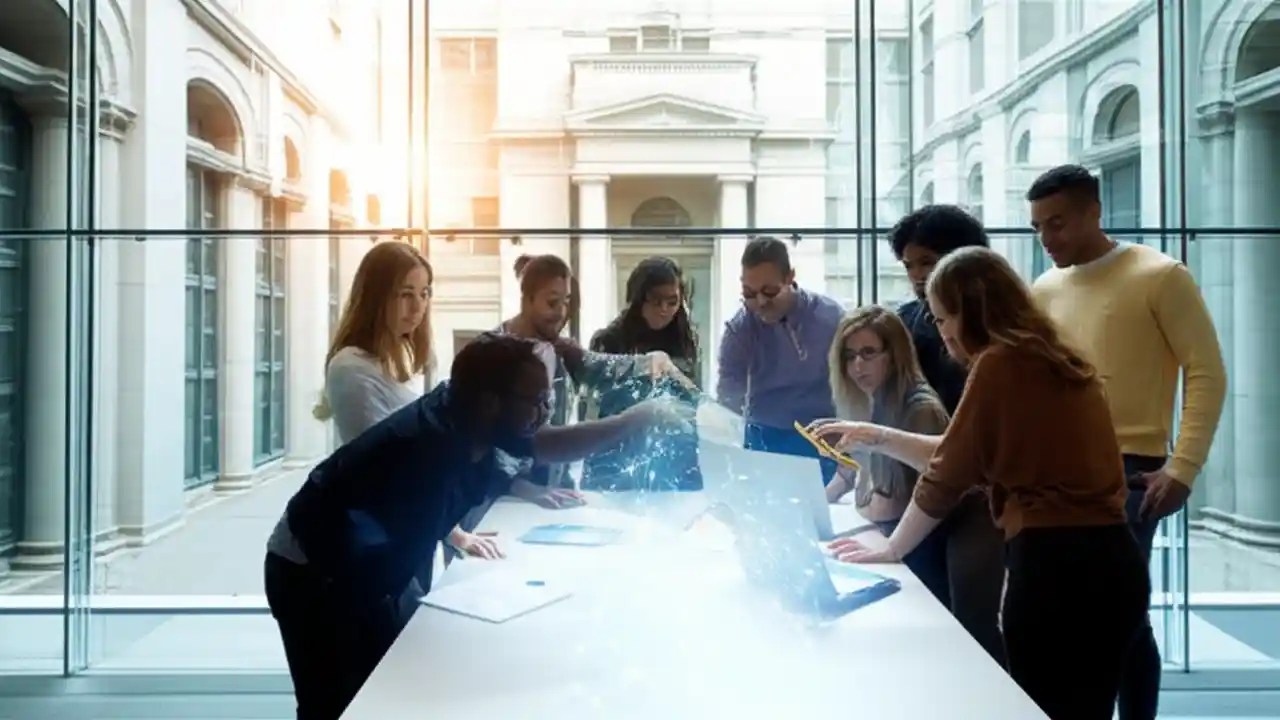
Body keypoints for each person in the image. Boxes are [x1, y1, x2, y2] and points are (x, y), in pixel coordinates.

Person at [264, 333, 694, 720]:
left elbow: (546, 443)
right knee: (337, 704)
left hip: (362, 565)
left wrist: (633, 419)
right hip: (311, 569)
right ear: (491, 401)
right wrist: (635, 419)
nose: (545, 412)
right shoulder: (430, 445)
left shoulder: (472, 419)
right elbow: (387, 526)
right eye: (536, 402)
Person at [810, 247, 1149, 719]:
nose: (942, 332)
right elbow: (964, 452)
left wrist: (893, 548)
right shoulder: (1053, 359)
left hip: (1056, 567)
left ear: (970, 310)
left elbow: (946, 474)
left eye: (943, 317)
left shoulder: (999, 364)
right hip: (1113, 562)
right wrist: (877, 436)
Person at [1027, 164, 1227, 720]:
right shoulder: (1043, 289)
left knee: (1118, 612)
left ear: (1094, 212)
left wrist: (1183, 466)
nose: (1046, 238)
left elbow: (1207, 371)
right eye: (1038, 226)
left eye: (1057, 223)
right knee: (1079, 614)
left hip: (1131, 467)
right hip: (1054, 471)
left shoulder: (1160, 276)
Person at [267, 241, 501, 572]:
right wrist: (453, 531)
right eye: (405, 294)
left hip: (372, 543)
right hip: (319, 560)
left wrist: (454, 533)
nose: (418, 306)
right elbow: (387, 472)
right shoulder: (352, 367)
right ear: (376, 297)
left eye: (424, 293)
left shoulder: (399, 358)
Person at [820, 305, 1004, 664]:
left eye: (868, 353)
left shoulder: (920, 408)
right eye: (850, 356)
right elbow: (852, 476)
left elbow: (925, 493)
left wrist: (883, 541)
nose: (858, 366)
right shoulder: (868, 401)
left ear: (894, 354)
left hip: (939, 540)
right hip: (912, 538)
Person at [497, 253, 693, 491]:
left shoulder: (558, 349)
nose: (562, 314)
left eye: (567, 303)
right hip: (508, 497)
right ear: (527, 300)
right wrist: (518, 487)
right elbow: (503, 445)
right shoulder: (495, 354)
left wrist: (650, 361)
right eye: (552, 303)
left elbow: (598, 366)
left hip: (555, 489)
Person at [717, 236, 842, 483]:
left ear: (790, 277)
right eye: (749, 294)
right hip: (764, 439)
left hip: (824, 437)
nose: (760, 302)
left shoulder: (830, 319)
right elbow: (728, 399)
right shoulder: (740, 329)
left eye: (770, 291)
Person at [583, 256, 703, 491]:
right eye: (656, 301)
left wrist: (674, 373)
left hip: (673, 456)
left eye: (672, 302)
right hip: (616, 457)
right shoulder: (608, 341)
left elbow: (694, 400)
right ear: (638, 298)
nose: (664, 310)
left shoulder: (686, 340)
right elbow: (594, 408)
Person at [888, 204, 990, 413]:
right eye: (908, 266)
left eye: (927, 262)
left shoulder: (996, 321)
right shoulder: (904, 322)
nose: (917, 275)